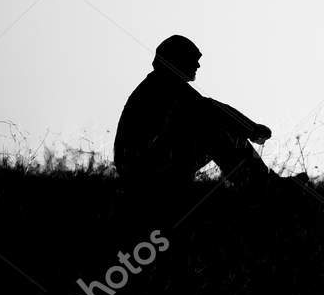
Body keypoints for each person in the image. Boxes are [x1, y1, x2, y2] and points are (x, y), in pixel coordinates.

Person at [113, 35, 277, 214]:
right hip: (143, 170)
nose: (198, 66)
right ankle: (262, 185)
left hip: (146, 165)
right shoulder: (164, 86)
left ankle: (262, 182)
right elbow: (212, 109)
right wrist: (251, 129)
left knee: (217, 126)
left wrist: (248, 128)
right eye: (193, 60)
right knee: (211, 129)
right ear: (177, 60)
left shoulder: (163, 83)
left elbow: (212, 108)